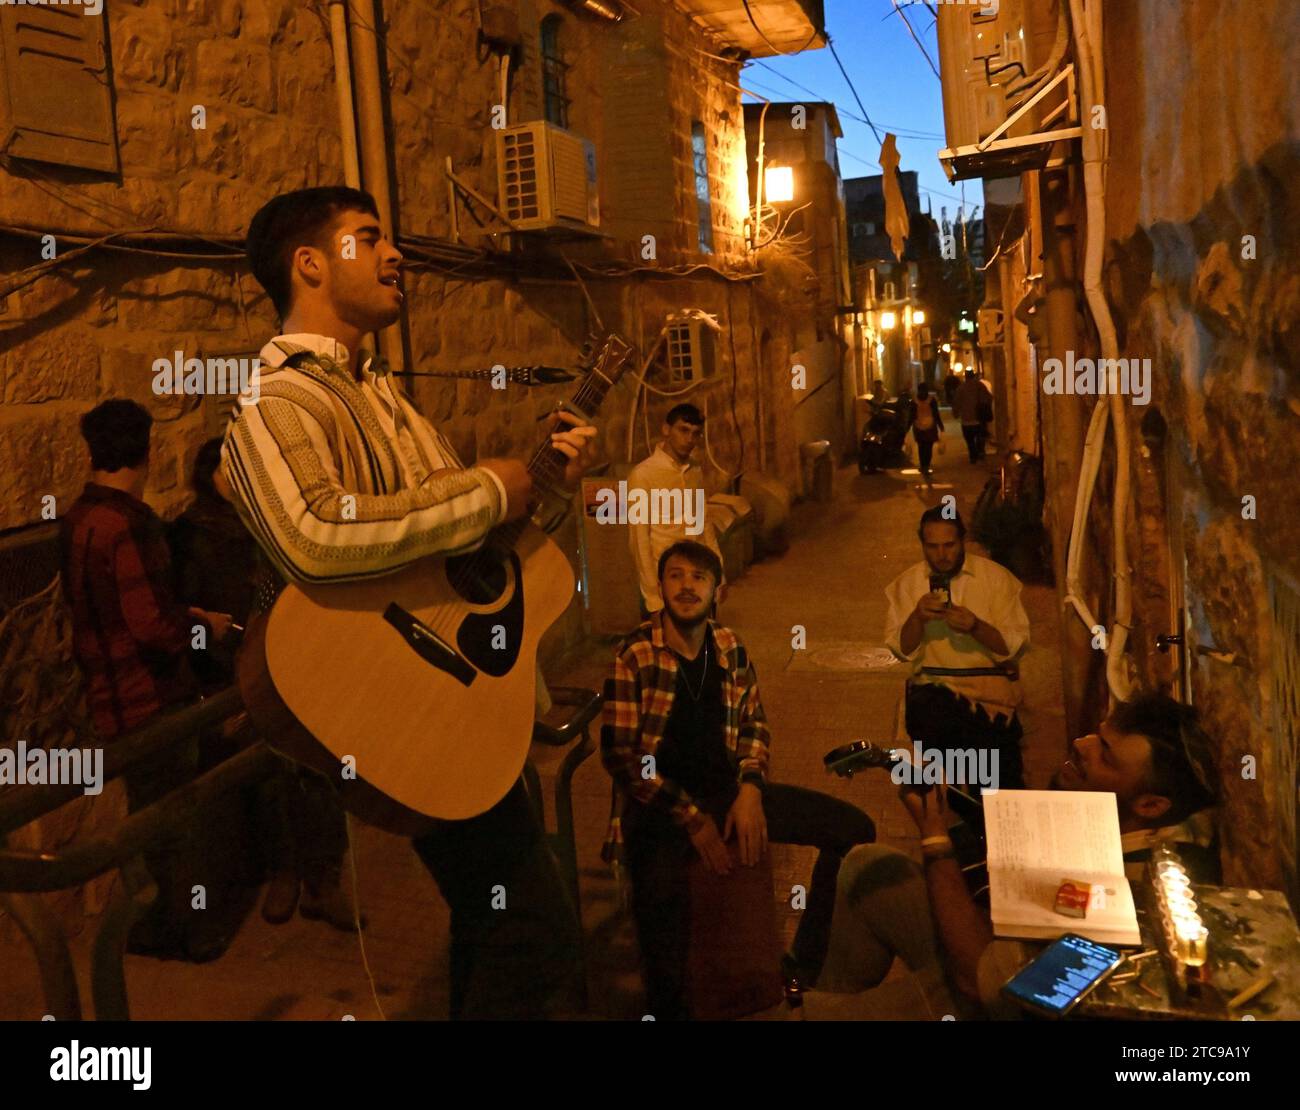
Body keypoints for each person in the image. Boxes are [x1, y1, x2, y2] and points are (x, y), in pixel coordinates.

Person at [220, 185, 598, 1018]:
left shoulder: (384, 398)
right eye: (369, 238)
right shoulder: (278, 404)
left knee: (496, 923)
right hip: (401, 709)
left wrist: (546, 491)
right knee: (534, 934)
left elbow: (452, 558)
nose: (395, 255)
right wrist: (484, 495)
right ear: (310, 265)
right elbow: (314, 532)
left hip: (457, 702)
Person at [810, 693, 1219, 1019]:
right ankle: (830, 997)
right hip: (996, 954)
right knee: (867, 867)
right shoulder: (1125, 823)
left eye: (1105, 755)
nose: (1081, 745)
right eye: (1097, 735)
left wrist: (935, 839)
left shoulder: (1120, 892)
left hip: (993, 998)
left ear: (1150, 805)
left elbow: (980, 982)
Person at [601, 540, 876, 1018]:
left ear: (718, 591)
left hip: (728, 793)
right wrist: (692, 820)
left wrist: (751, 789)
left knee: (852, 831)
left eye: (698, 578)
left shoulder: (729, 646)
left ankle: (802, 966)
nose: (686, 587)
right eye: (676, 576)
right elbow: (622, 756)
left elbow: (755, 725)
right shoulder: (637, 654)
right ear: (661, 586)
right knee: (663, 932)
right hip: (660, 809)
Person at [59, 399, 234, 961]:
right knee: (177, 820)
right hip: (152, 697)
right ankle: (193, 931)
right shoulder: (129, 525)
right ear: (145, 451)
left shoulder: (75, 519)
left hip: (106, 698)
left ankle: (159, 922)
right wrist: (204, 623)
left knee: (148, 817)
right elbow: (152, 626)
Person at [171, 438, 357, 931]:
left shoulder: (264, 523)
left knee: (316, 767)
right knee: (270, 776)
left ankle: (324, 878)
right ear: (211, 476)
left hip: (290, 658)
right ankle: (285, 873)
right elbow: (190, 611)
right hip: (236, 668)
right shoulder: (193, 534)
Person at [884, 505, 1030, 795]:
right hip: (935, 697)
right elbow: (901, 650)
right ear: (922, 544)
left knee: (999, 790)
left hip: (989, 697)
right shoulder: (907, 584)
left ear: (963, 541)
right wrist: (917, 617)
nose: (942, 555)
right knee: (945, 790)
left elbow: (1014, 646)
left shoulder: (996, 579)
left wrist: (976, 627)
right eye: (932, 546)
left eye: (949, 545)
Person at [626, 403, 724, 617]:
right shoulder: (643, 474)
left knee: (703, 643)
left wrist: (719, 571)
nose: (689, 439)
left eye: (695, 434)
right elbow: (639, 539)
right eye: (683, 430)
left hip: (697, 573)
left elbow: (703, 523)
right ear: (666, 429)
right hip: (666, 580)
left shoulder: (694, 470)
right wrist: (652, 596)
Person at [909, 382, 944, 481]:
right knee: (928, 446)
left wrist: (907, 427)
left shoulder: (914, 401)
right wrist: (941, 426)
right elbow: (936, 414)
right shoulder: (932, 400)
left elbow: (911, 415)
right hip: (930, 427)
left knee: (921, 446)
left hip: (918, 426)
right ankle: (926, 465)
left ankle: (923, 465)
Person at [953, 369, 987, 463]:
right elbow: (987, 398)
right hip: (979, 418)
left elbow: (957, 402)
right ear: (973, 376)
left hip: (966, 419)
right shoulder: (980, 386)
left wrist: (955, 413)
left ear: (965, 376)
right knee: (979, 437)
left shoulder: (961, 388)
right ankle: (980, 452)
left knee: (970, 440)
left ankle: (973, 456)